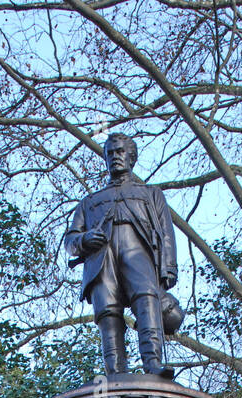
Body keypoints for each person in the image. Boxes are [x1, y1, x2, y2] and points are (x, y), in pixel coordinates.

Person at [65, 133, 181, 377]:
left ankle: (153, 364)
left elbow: (166, 232)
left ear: (131, 157)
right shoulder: (90, 202)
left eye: (120, 152)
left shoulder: (151, 194)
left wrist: (169, 266)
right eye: (110, 153)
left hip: (138, 254)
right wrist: (84, 240)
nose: (115, 157)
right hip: (101, 261)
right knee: (108, 314)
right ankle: (115, 372)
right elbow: (71, 240)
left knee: (147, 301)